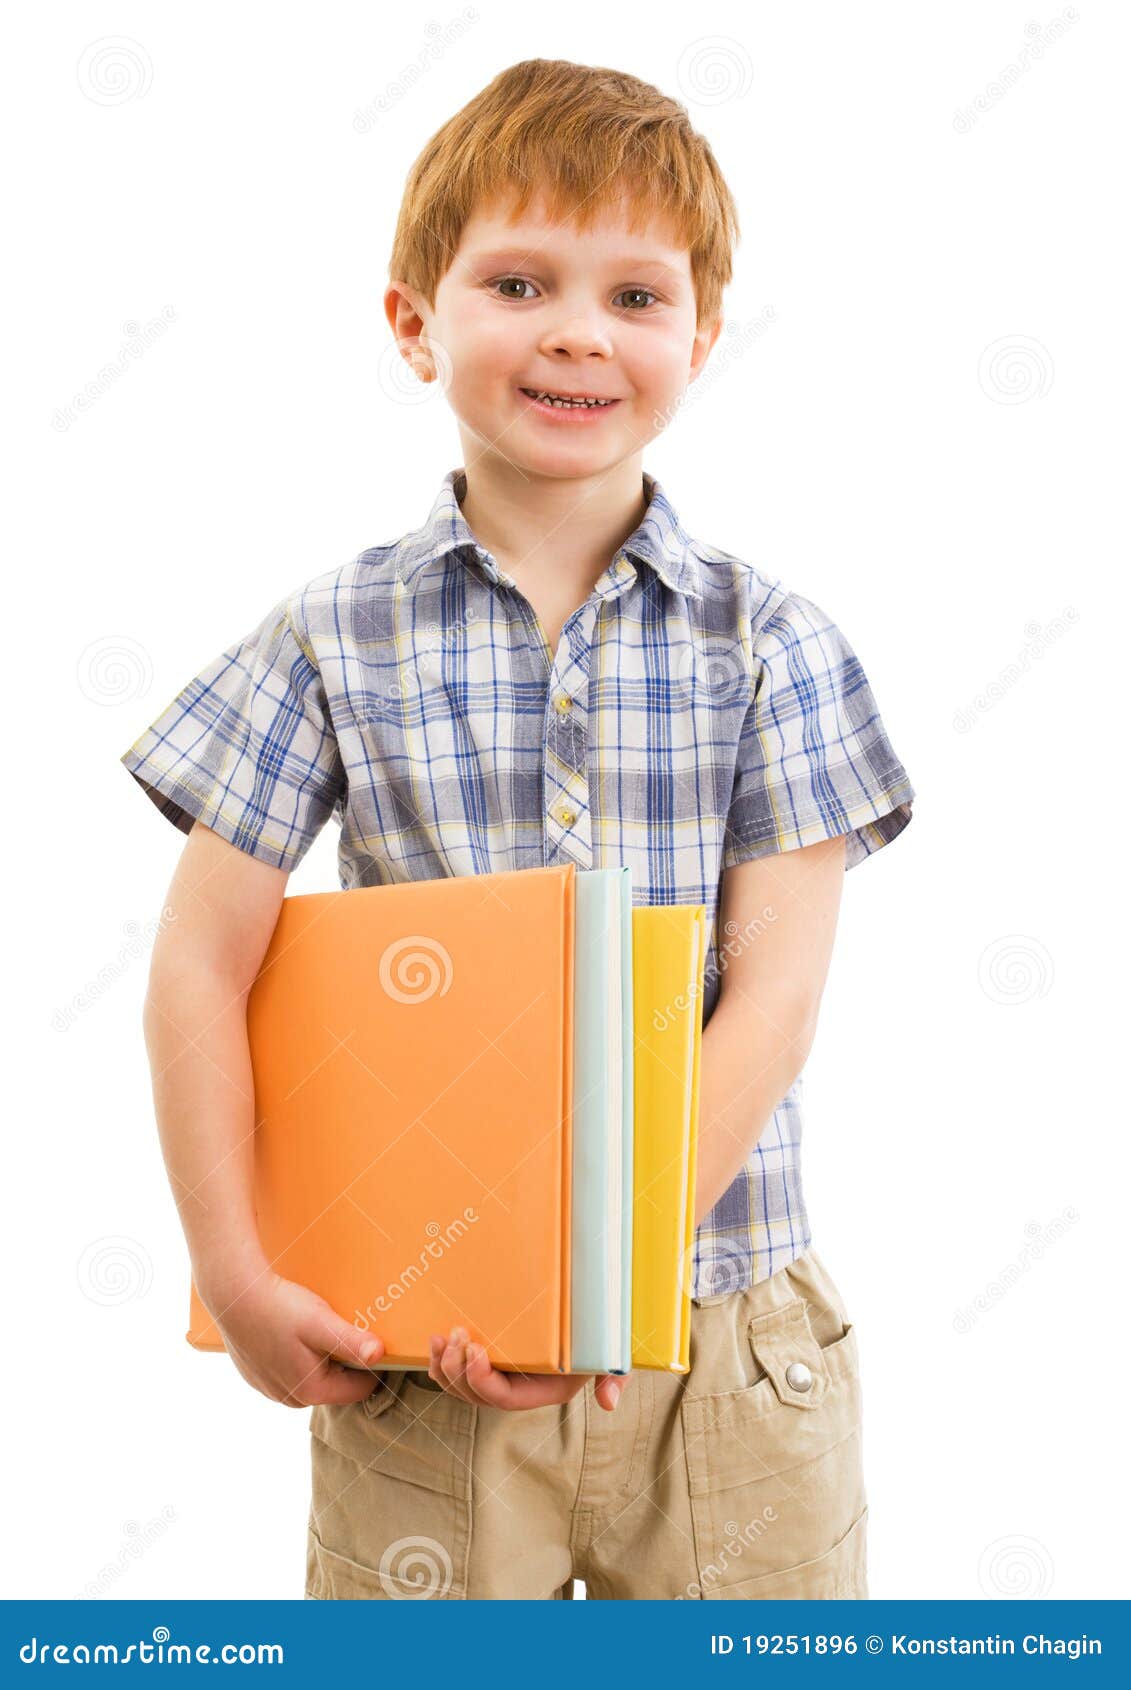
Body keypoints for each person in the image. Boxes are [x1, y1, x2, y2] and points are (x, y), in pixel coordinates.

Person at [120, 57, 916, 1601]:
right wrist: (233, 1265)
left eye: (635, 293)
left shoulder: (773, 642)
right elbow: (200, 962)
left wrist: (597, 1270)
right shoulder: (331, 633)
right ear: (416, 320)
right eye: (519, 279)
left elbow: (779, 990)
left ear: (699, 335)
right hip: (421, 1342)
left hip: (723, 1346)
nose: (576, 329)